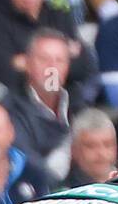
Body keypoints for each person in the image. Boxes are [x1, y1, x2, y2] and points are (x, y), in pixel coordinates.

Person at [6, 28, 80, 183]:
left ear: (67, 67)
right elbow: (31, 166)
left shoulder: (79, 103)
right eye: (43, 59)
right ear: (27, 64)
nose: (52, 68)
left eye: (59, 60)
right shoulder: (11, 110)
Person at [63, 108, 118, 188]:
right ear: (74, 150)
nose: (101, 153)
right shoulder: (64, 192)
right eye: (91, 146)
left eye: (108, 145)